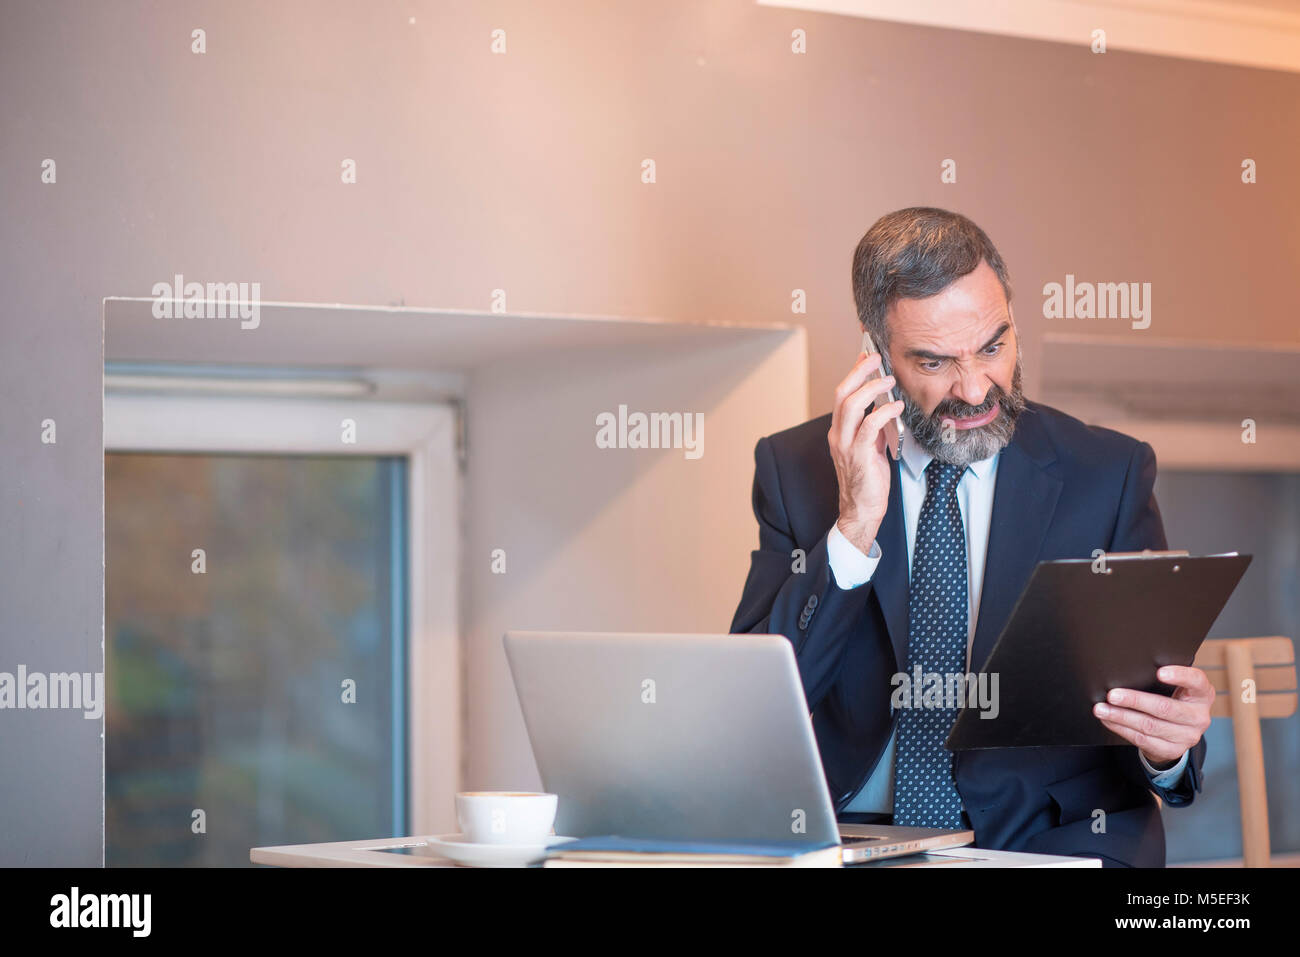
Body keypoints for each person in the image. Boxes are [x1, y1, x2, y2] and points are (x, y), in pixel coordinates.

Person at [729, 207, 1212, 867]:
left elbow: (1153, 708)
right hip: (855, 841)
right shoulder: (797, 471)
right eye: (935, 361)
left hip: (1053, 841)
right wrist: (852, 527)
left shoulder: (1109, 474)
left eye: (993, 345)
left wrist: (1167, 745)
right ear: (877, 356)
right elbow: (751, 710)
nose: (977, 387)